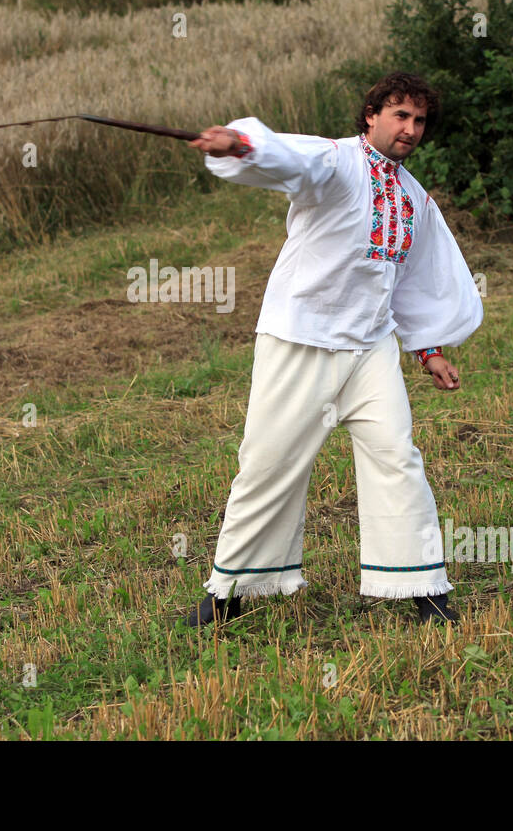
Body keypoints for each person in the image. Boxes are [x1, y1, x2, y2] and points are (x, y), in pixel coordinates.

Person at [182, 71, 483, 628]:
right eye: (399, 115)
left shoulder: (413, 197)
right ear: (371, 115)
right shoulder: (335, 162)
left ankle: (422, 585)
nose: (410, 128)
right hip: (302, 338)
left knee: (397, 456)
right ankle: (227, 593)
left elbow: (414, 278)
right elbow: (289, 160)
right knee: (269, 463)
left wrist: (429, 349)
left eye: (419, 120)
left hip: (370, 348)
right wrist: (243, 145)